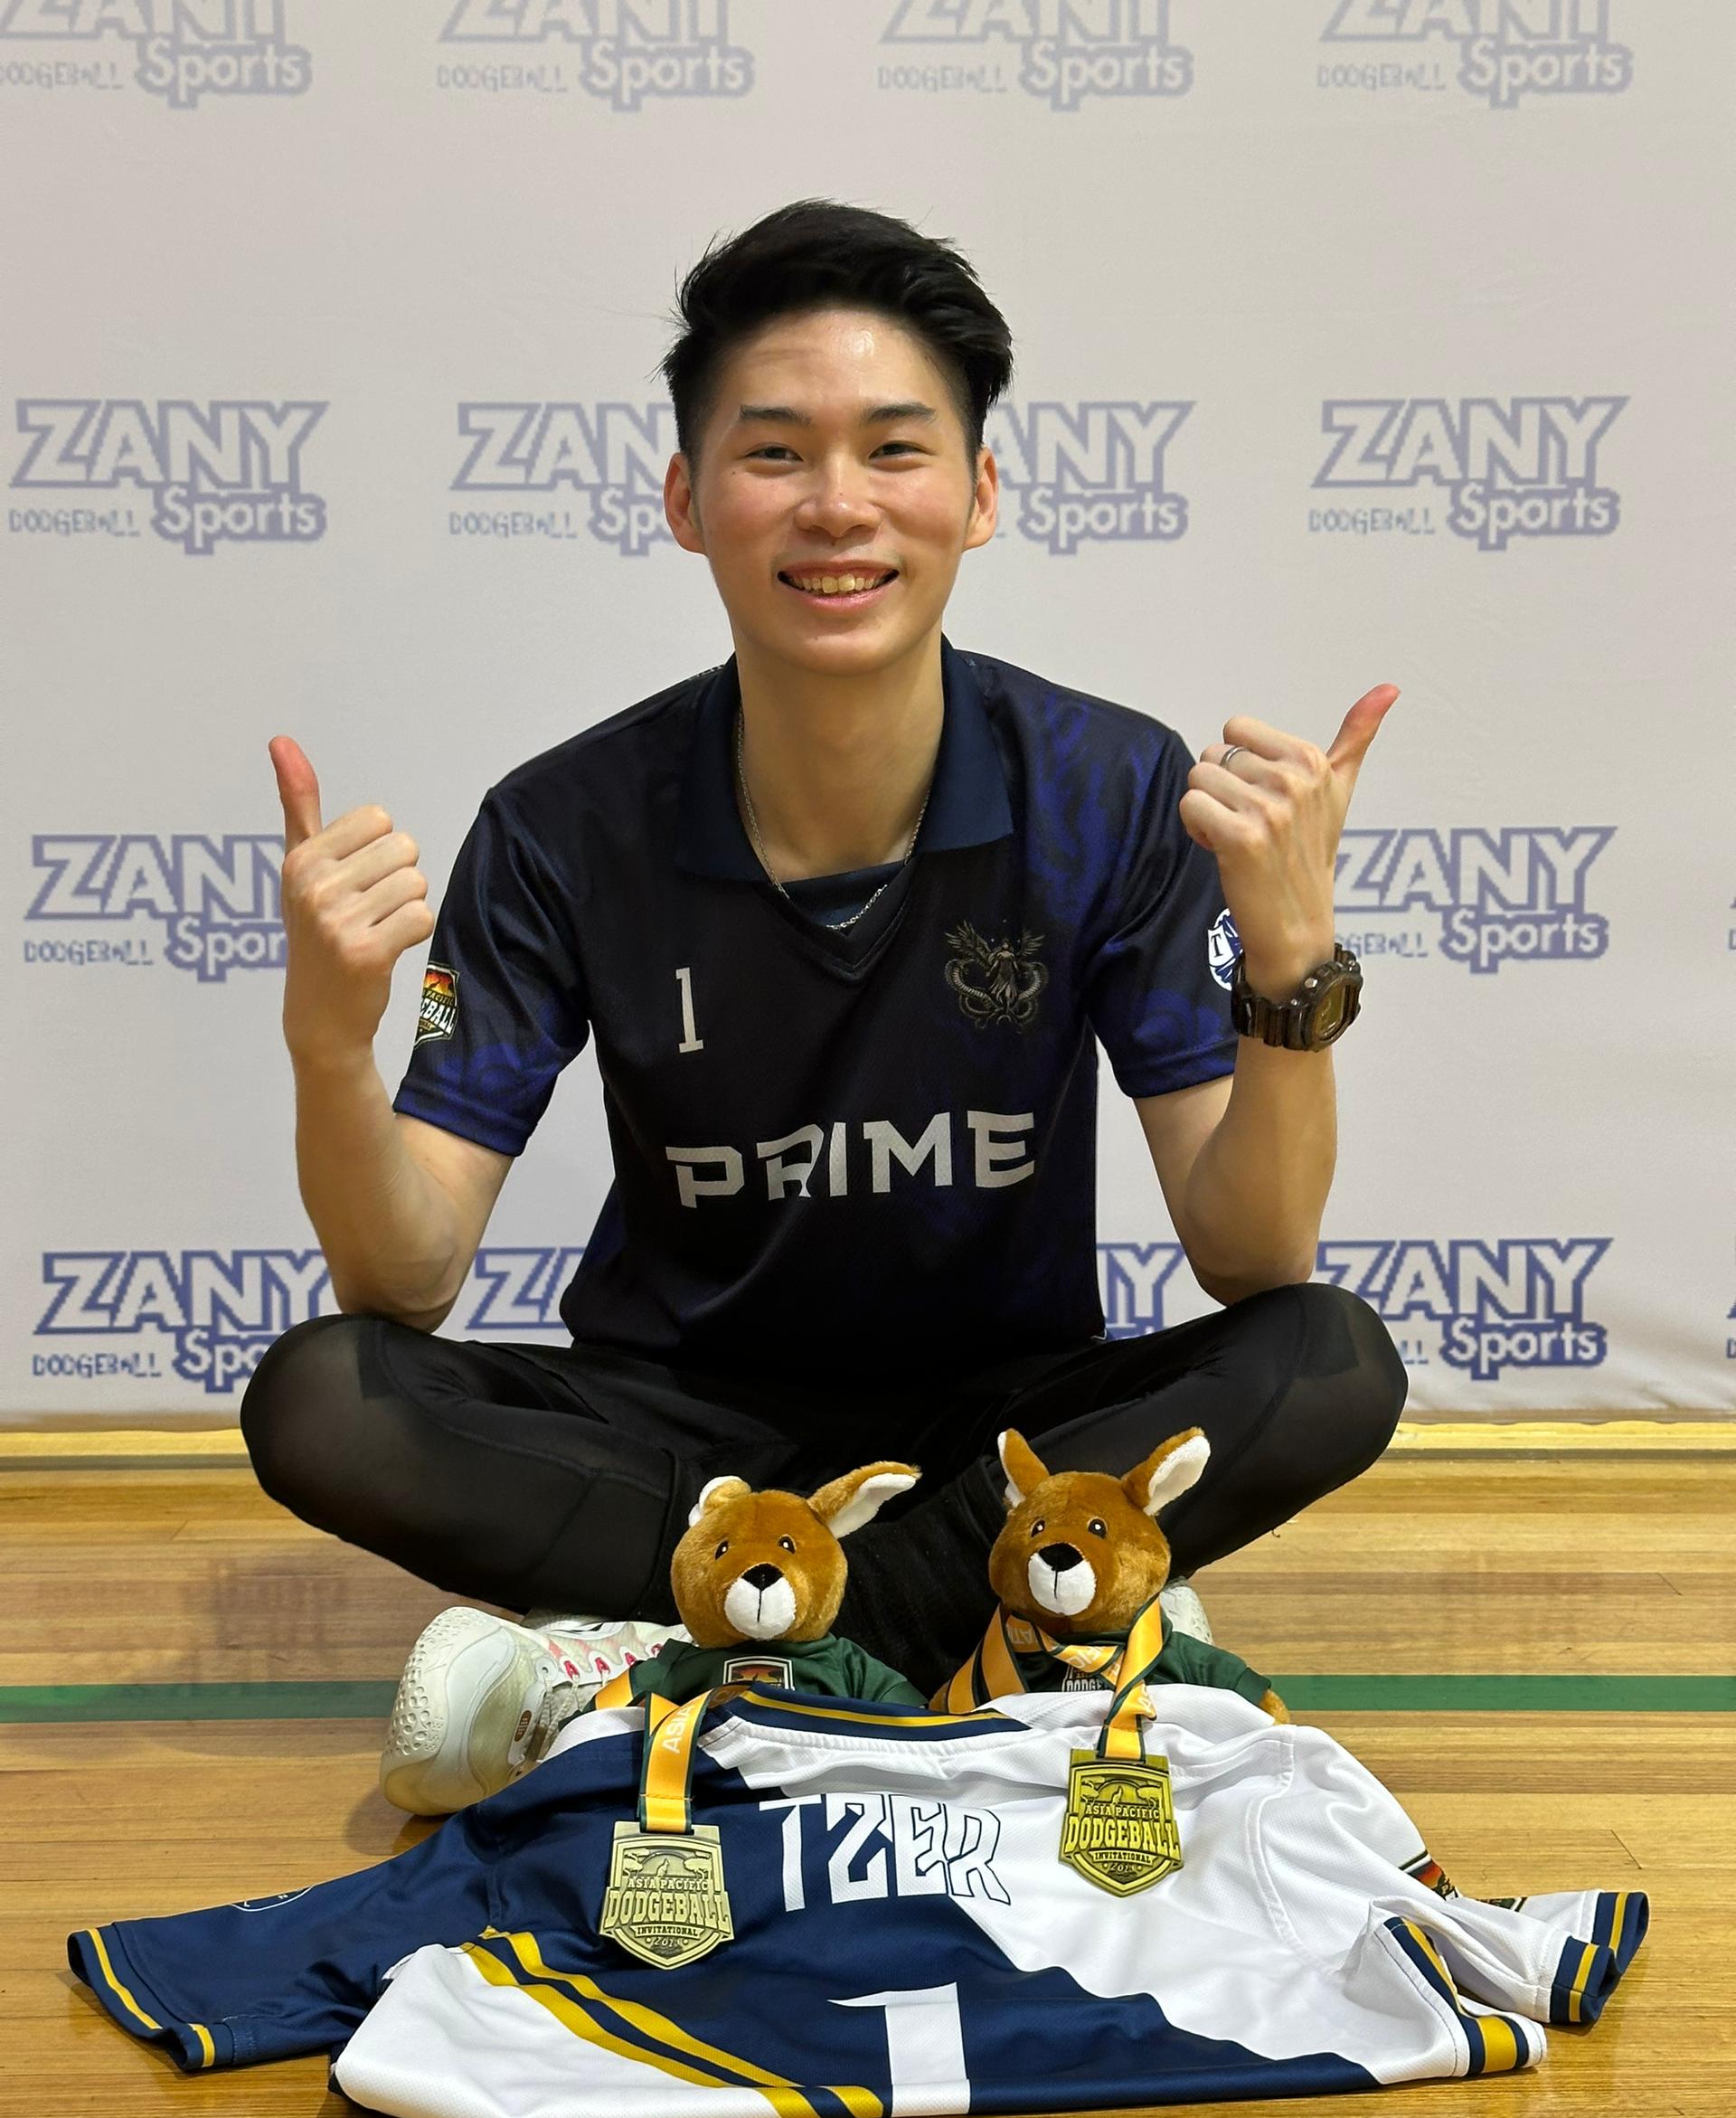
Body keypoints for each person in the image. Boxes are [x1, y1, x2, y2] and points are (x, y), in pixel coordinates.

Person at [241, 199, 1408, 1816]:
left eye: (896, 450)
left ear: (981, 493)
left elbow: (1254, 1257)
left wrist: (1290, 973)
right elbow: (406, 1275)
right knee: (318, 1395)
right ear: (687, 497)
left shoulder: (1107, 790)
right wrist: (323, 1041)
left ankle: (651, 1673)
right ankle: (1031, 1613)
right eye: (776, 451)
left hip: (995, 1423)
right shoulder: (569, 821)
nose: (839, 506)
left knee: (1333, 1359)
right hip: (683, 1445)